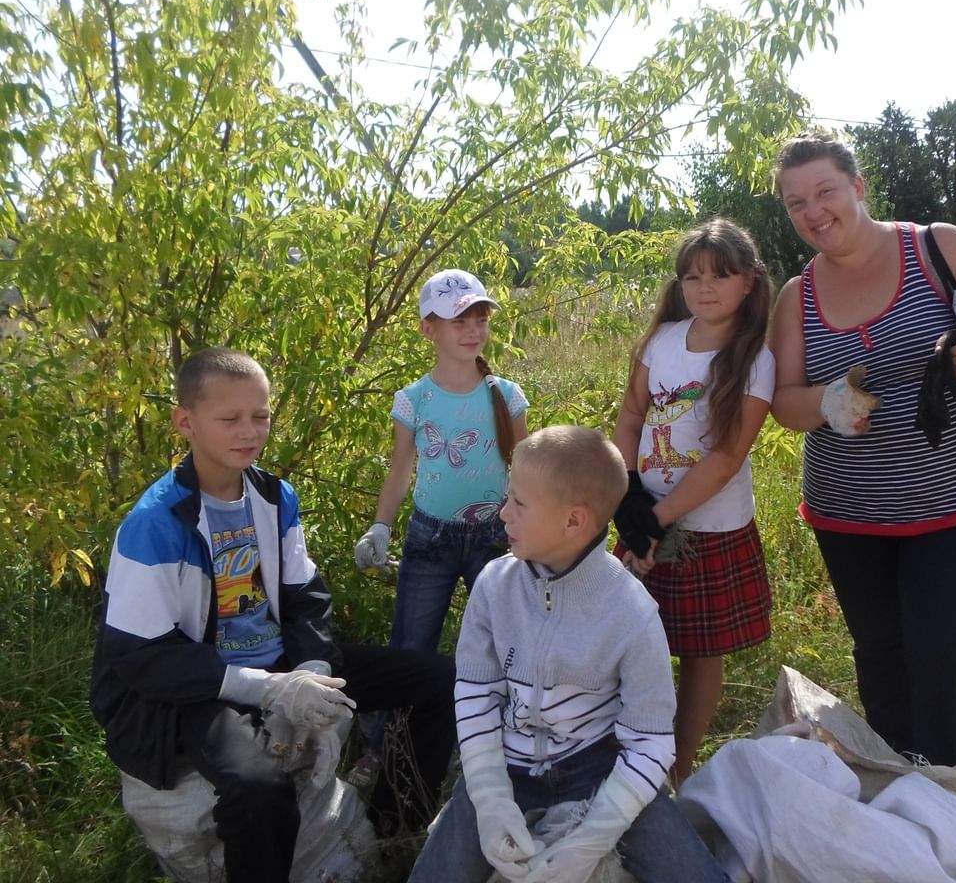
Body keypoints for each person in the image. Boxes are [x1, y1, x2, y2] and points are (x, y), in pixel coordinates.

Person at [89, 347, 457, 882]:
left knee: (439, 681)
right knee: (258, 786)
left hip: (280, 660)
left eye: (260, 415)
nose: (249, 431)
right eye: (230, 418)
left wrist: (312, 670)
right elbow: (142, 658)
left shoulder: (274, 496)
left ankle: (390, 827)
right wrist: (265, 689)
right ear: (184, 422)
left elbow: (305, 595)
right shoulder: (155, 524)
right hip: (203, 687)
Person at [768, 129, 956, 767]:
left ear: (859, 188)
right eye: (795, 202)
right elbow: (785, 400)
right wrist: (828, 404)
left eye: (825, 192)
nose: (813, 212)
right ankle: (904, 797)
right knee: (884, 662)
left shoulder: (938, 248)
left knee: (950, 663)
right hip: (850, 516)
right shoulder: (797, 295)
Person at [408, 426, 730, 883]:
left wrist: (592, 839)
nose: (503, 514)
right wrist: (489, 794)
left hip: (599, 768)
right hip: (509, 767)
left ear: (573, 521)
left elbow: (651, 742)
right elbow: (476, 694)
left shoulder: (632, 612)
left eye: (519, 503)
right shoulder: (493, 587)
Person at [611, 218, 776, 784]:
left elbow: (726, 458)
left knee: (701, 653)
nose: (705, 288)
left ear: (749, 283)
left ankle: (677, 769)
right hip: (642, 513)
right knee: (630, 637)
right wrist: (628, 492)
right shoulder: (662, 342)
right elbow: (632, 416)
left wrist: (657, 519)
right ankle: (626, 754)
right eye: (692, 277)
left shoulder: (755, 358)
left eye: (720, 276)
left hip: (709, 528)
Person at [354, 267, 529, 657]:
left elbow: (527, 470)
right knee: (411, 647)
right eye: (459, 321)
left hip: (496, 534)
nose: (473, 330)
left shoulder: (507, 395)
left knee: (506, 646)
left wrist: (535, 528)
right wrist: (380, 527)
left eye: (481, 320)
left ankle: (500, 718)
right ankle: (394, 720)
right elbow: (400, 469)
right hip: (430, 537)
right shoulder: (414, 399)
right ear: (428, 329)